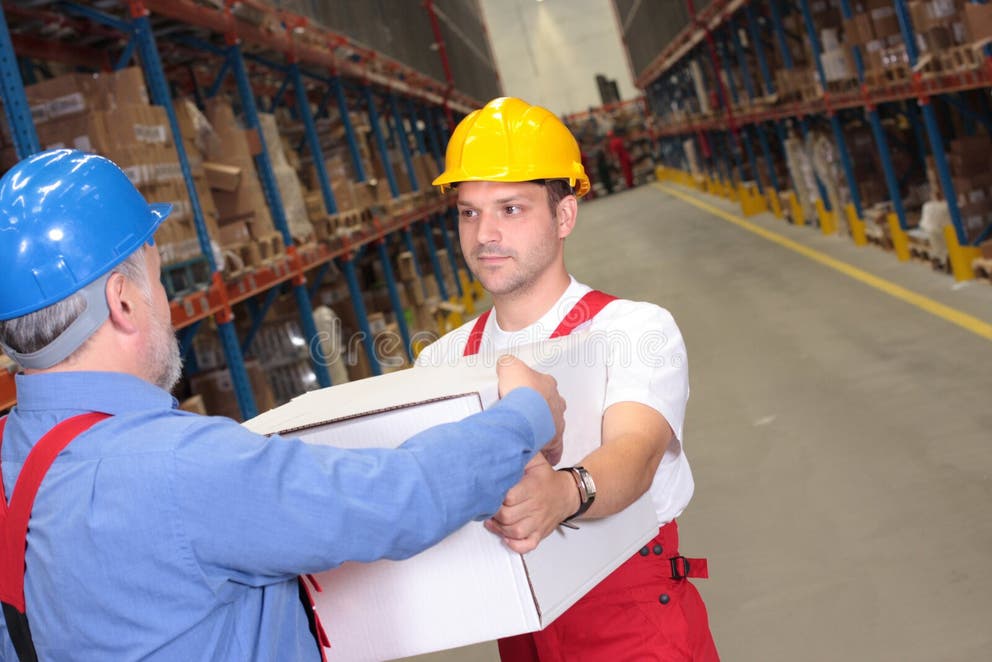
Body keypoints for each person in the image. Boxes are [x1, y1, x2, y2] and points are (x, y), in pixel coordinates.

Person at [0, 149, 566, 661]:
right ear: (122, 301)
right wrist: (525, 413)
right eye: (157, 277)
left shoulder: (12, 454)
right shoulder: (179, 469)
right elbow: (398, 498)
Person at [417, 97, 719, 660]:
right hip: (521, 629)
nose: (484, 234)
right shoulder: (441, 362)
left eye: (510, 209)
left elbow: (635, 451)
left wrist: (563, 492)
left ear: (564, 217)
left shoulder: (632, 329)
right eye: (468, 212)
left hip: (634, 629)